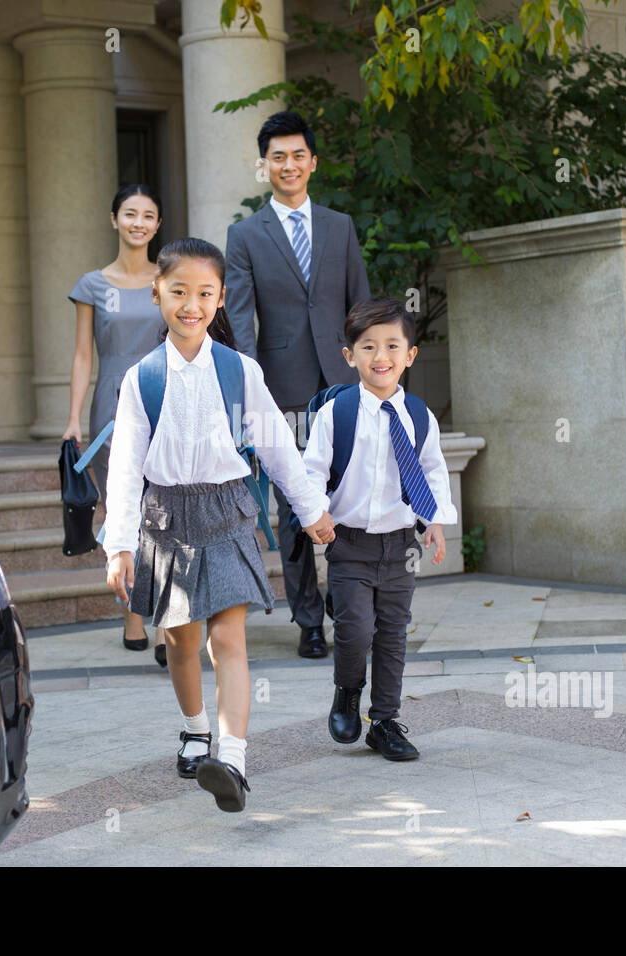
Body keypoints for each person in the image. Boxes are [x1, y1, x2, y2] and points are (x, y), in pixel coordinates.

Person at [103, 237, 335, 812]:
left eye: (205, 293)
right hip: (167, 518)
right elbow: (126, 466)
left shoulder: (239, 371)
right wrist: (118, 545)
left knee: (228, 640)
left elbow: (278, 446)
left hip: (229, 512)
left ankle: (231, 758)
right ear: (157, 291)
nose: (191, 304)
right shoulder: (143, 378)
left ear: (221, 298)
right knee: (182, 645)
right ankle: (194, 729)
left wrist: (310, 509)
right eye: (179, 290)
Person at [225, 110, 371, 660]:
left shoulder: (340, 226)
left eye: (297, 155)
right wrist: (246, 390)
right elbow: (240, 320)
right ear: (265, 166)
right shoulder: (244, 235)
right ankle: (309, 618)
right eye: (277, 157)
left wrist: (371, 372)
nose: (288, 165)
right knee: (293, 504)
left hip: (341, 386)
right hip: (279, 393)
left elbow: (359, 305)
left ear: (312, 161)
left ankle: (348, 602)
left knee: (347, 494)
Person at [302, 298, 456, 761]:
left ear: (410, 355)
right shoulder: (338, 413)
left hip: (399, 546)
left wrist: (435, 523)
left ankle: (385, 721)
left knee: (393, 634)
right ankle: (348, 691)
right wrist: (315, 513)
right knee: (355, 630)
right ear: (350, 356)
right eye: (368, 346)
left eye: (392, 345)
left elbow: (432, 470)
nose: (381, 356)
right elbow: (312, 470)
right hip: (348, 544)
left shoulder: (419, 416)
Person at [63, 184, 169, 665]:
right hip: (110, 405)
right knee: (122, 511)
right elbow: (84, 355)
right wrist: (71, 420)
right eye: (130, 214)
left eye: (148, 215)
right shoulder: (92, 284)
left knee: (166, 509)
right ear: (114, 220)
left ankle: (167, 618)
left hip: (164, 399)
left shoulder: (168, 278)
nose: (138, 222)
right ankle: (132, 615)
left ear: (157, 224)